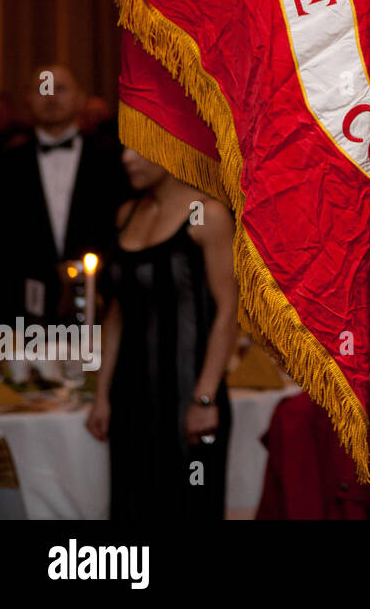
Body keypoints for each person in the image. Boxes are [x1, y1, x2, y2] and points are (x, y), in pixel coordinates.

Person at [85, 149, 238, 520]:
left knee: (187, 506)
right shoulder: (127, 214)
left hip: (188, 395)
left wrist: (204, 398)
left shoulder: (208, 215)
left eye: (138, 150)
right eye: (122, 149)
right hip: (130, 397)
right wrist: (102, 395)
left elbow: (228, 310)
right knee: (134, 507)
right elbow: (117, 313)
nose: (126, 160)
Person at [0, 65, 129, 327]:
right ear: (27, 100)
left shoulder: (112, 160)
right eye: (42, 89)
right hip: (22, 315)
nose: (51, 97)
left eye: (61, 88)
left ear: (81, 98)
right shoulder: (6, 164)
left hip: (102, 308)